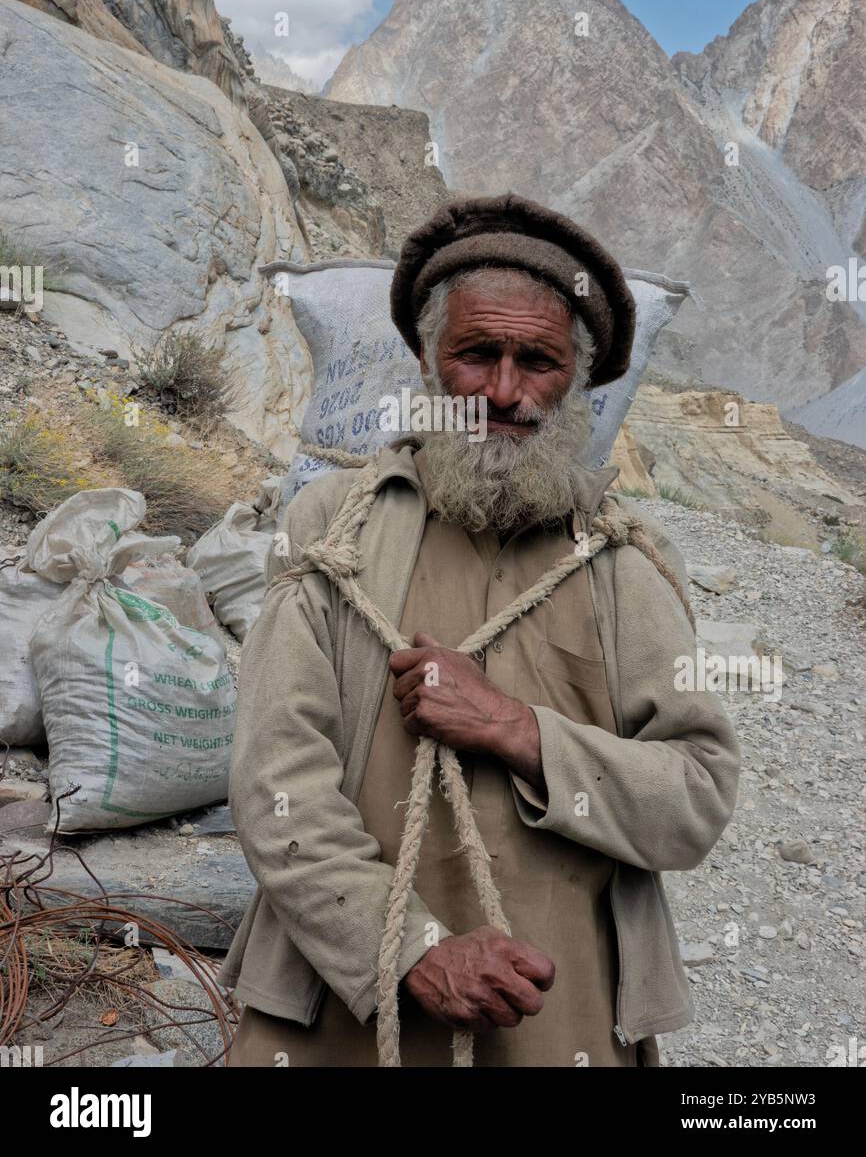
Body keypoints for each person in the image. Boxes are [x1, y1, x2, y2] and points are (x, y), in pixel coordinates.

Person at [220, 192, 740, 1067]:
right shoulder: (329, 527)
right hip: (342, 1008)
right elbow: (276, 786)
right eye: (476, 354)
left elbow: (693, 801)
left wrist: (514, 729)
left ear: (577, 380)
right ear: (427, 363)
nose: (502, 391)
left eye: (537, 361)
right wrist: (413, 950)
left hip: (554, 1015)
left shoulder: (626, 565)